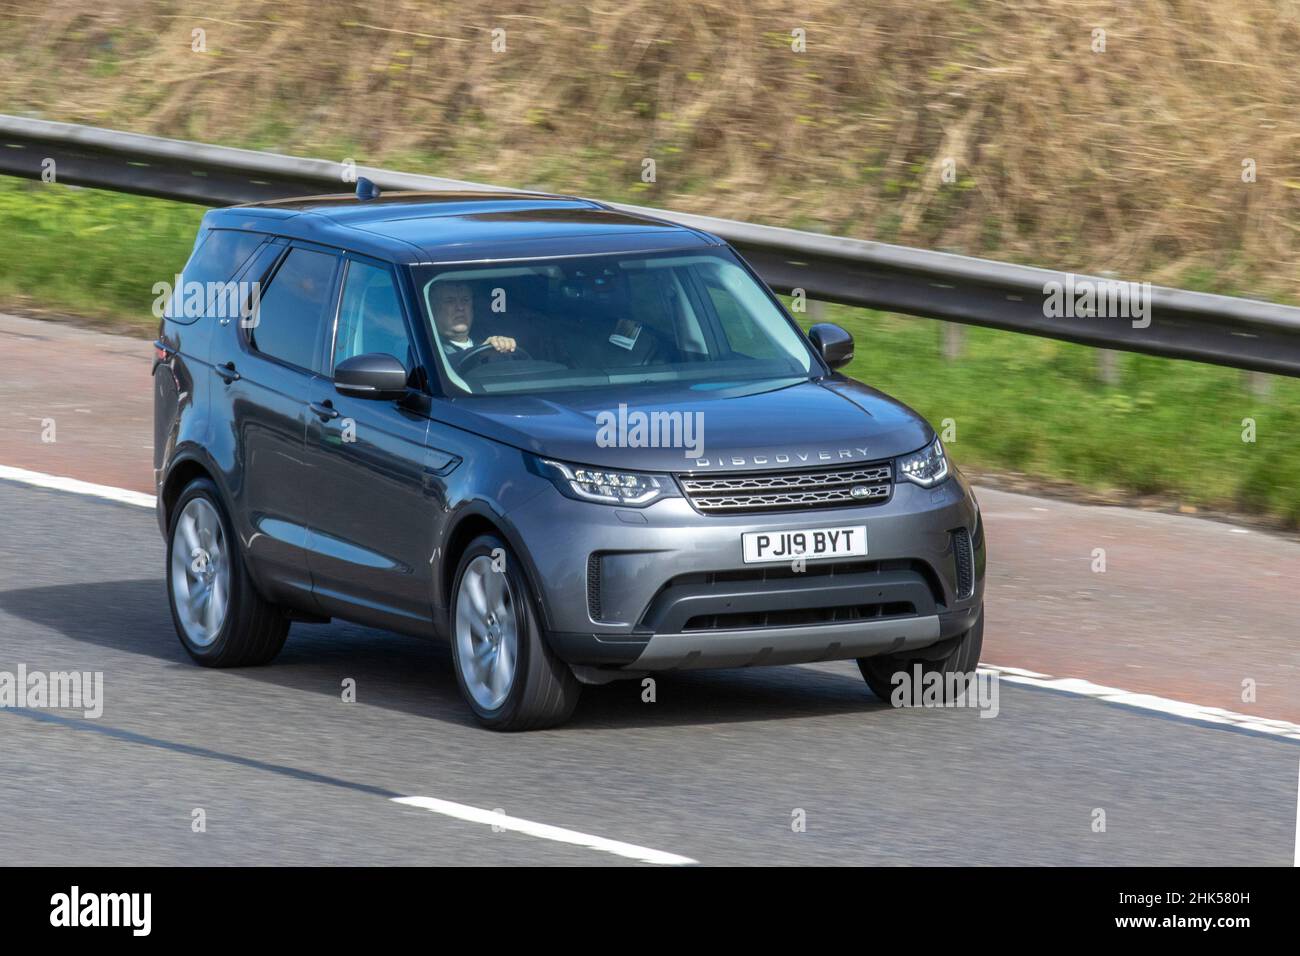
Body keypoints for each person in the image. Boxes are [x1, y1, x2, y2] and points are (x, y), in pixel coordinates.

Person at [429, 281, 516, 357]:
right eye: (450, 301)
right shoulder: (424, 351)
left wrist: (504, 346)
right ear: (433, 309)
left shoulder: (487, 344)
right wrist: (479, 355)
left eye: (465, 300)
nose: (460, 307)